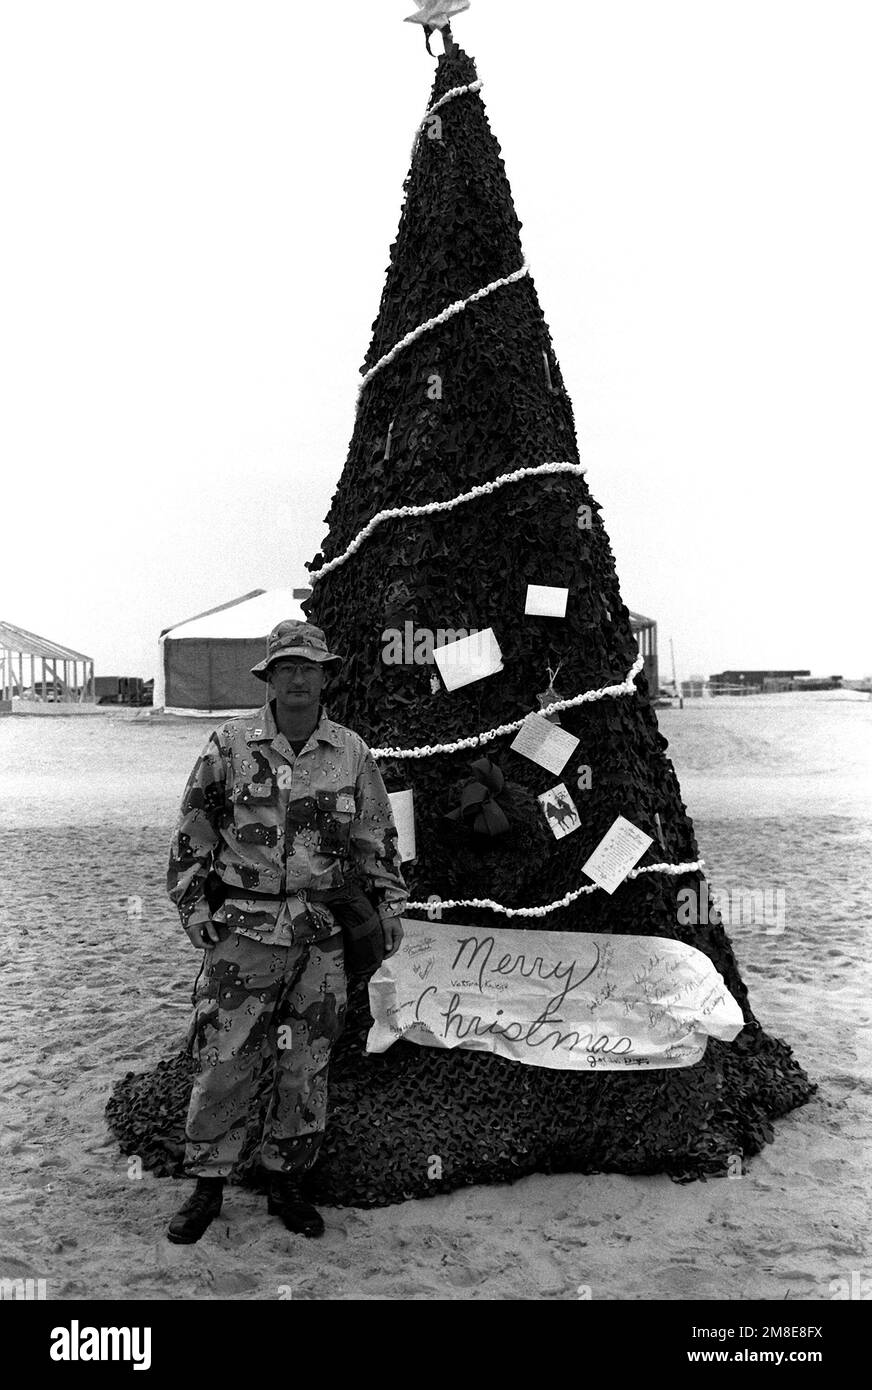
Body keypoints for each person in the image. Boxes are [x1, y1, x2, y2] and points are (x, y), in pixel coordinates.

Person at [165, 619, 408, 1243]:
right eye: (286, 669)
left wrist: (389, 903)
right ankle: (208, 1183)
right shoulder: (230, 746)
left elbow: (376, 835)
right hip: (242, 934)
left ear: (326, 678)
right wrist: (196, 912)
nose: (298, 679)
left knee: (306, 1059)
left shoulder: (351, 753)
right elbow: (193, 834)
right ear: (269, 679)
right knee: (225, 1058)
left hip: (321, 932)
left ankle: (288, 1180)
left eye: (309, 668)